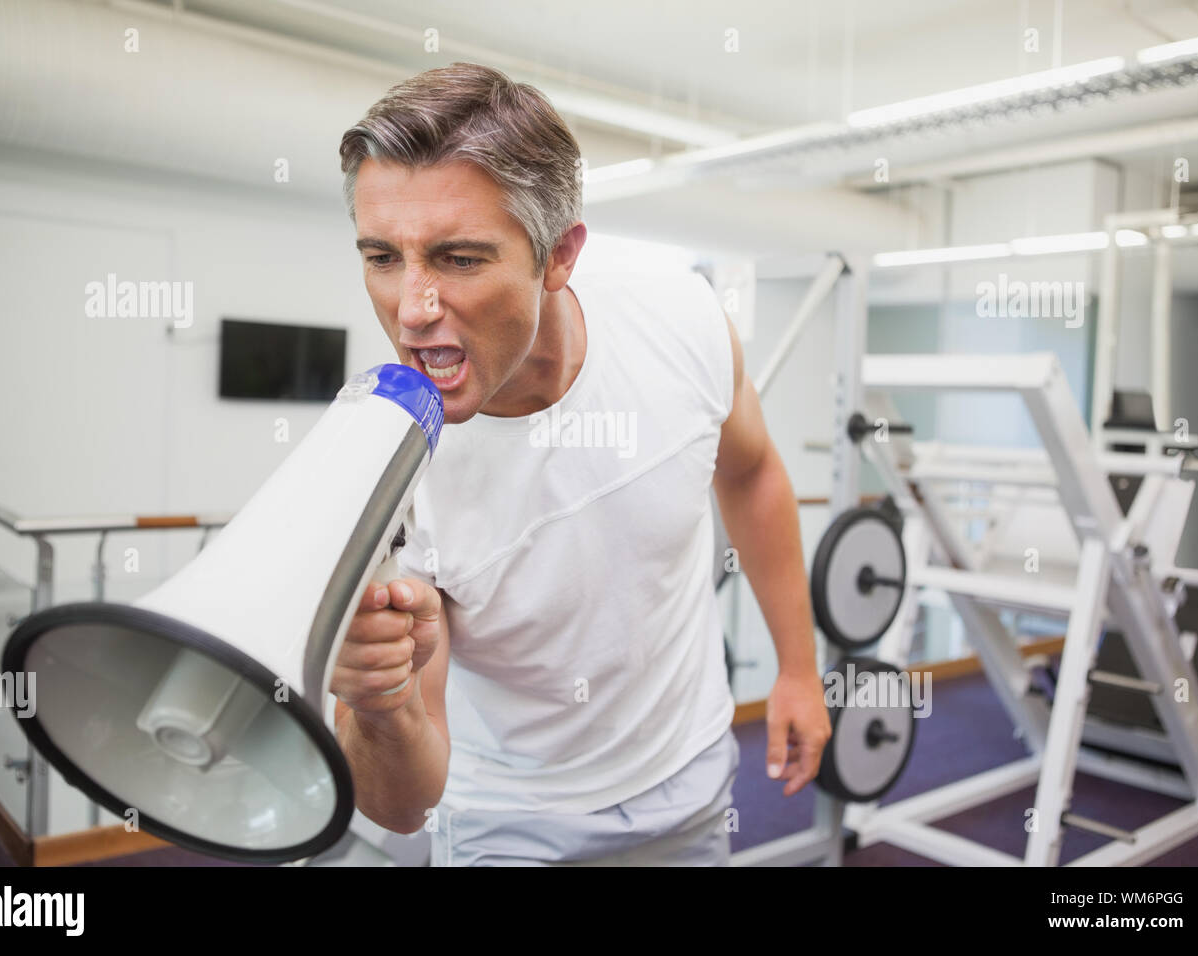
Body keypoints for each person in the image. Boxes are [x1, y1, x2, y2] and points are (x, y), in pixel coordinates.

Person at [330, 61, 830, 866]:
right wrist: (381, 707)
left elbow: (752, 471)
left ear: (558, 255)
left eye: (458, 259)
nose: (413, 309)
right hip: (506, 823)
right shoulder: (383, 465)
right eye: (383, 256)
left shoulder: (680, 317)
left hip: (690, 778)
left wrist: (798, 670)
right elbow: (402, 803)